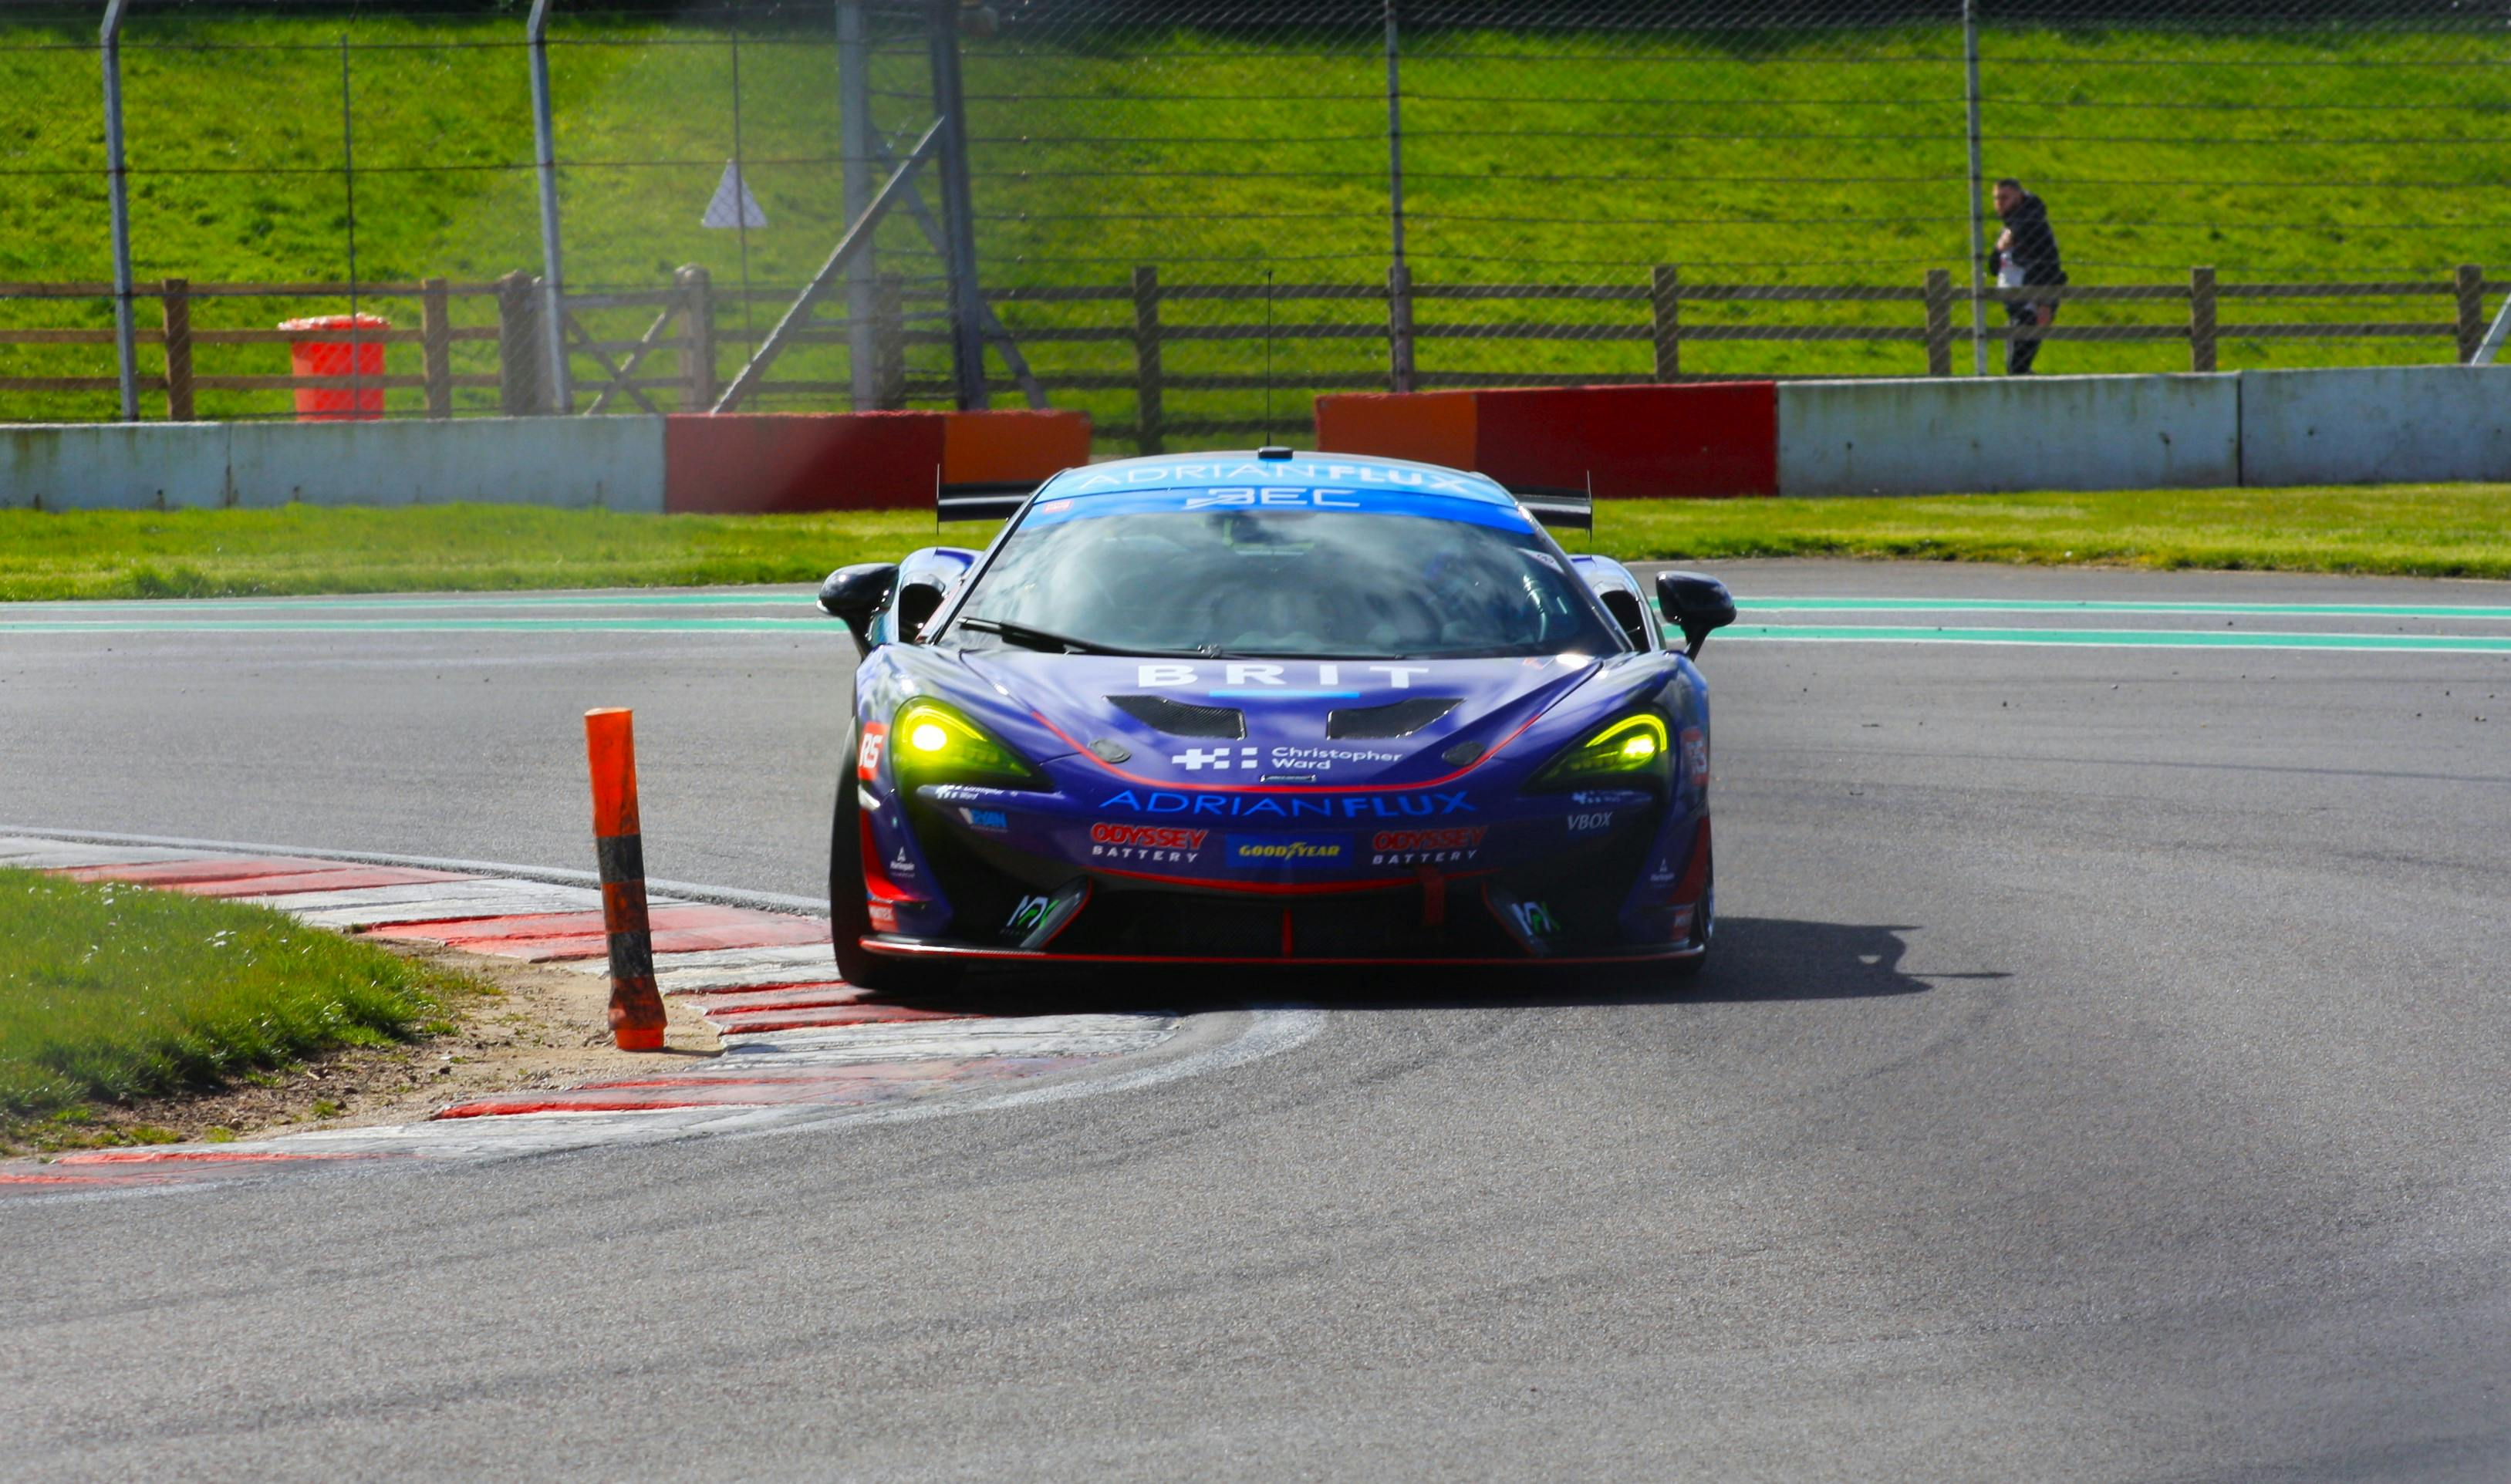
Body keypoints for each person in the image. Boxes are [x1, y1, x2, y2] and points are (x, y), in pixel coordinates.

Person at [1988, 177, 2066, 375]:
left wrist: (2045, 303)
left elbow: (2049, 264)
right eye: (1997, 199)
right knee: (2016, 368)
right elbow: (1993, 267)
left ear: (2020, 197)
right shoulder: (2010, 226)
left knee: (2017, 369)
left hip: (2031, 305)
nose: (2000, 203)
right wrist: (1998, 248)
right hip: (2017, 305)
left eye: (2005, 198)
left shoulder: (2032, 224)